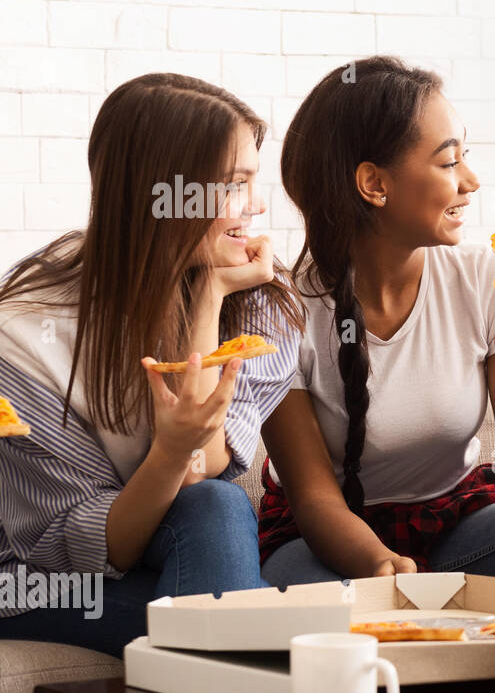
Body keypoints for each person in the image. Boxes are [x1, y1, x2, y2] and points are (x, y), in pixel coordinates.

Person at [257, 56, 495, 586]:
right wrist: (384, 572)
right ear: (373, 183)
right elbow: (315, 499)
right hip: (328, 537)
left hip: (455, 524)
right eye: (449, 162)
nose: (471, 181)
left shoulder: (481, 277)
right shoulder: (281, 311)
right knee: (313, 599)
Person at [0, 74, 302, 656]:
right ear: (164, 197)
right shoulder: (25, 340)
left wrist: (211, 298)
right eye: (235, 185)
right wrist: (167, 452)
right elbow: (93, 546)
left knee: (216, 504)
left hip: (181, 544)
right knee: (251, 624)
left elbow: (204, 468)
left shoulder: (256, 299)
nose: (259, 205)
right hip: (54, 583)